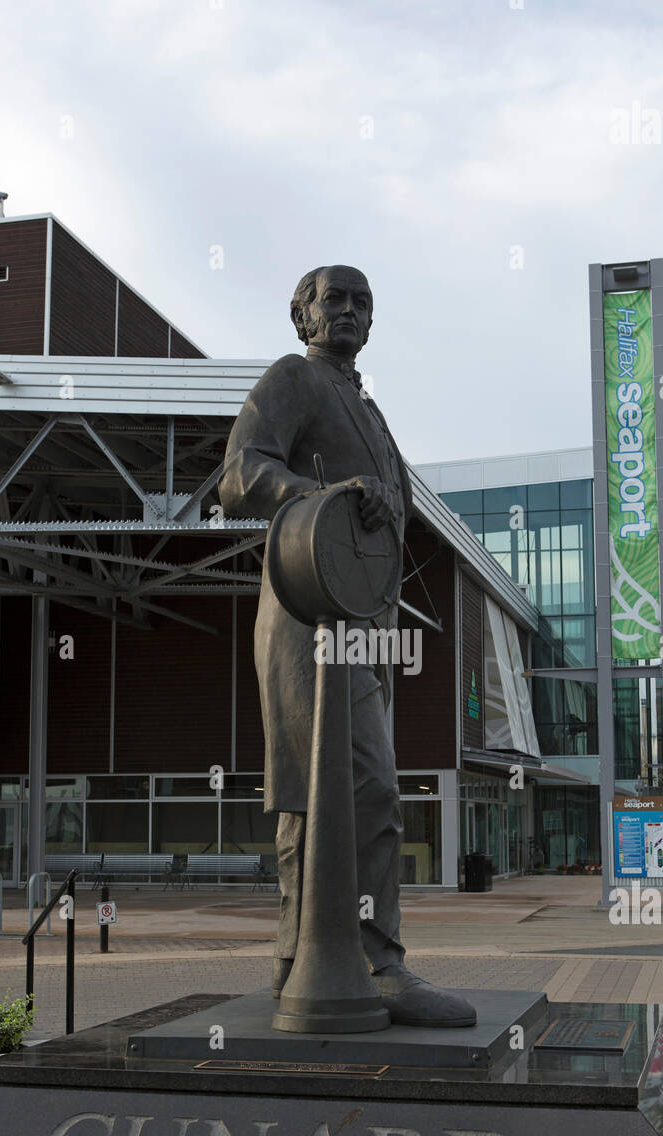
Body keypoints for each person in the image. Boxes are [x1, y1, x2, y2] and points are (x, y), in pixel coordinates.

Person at [219, 264, 475, 1027]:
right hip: (307, 615)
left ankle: (301, 961)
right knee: (356, 790)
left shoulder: (365, 403)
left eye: (364, 301)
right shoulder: (295, 377)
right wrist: (318, 495)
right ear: (301, 314)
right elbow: (239, 474)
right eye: (335, 299)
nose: (351, 311)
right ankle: (375, 962)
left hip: (363, 624)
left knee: (327, 796)